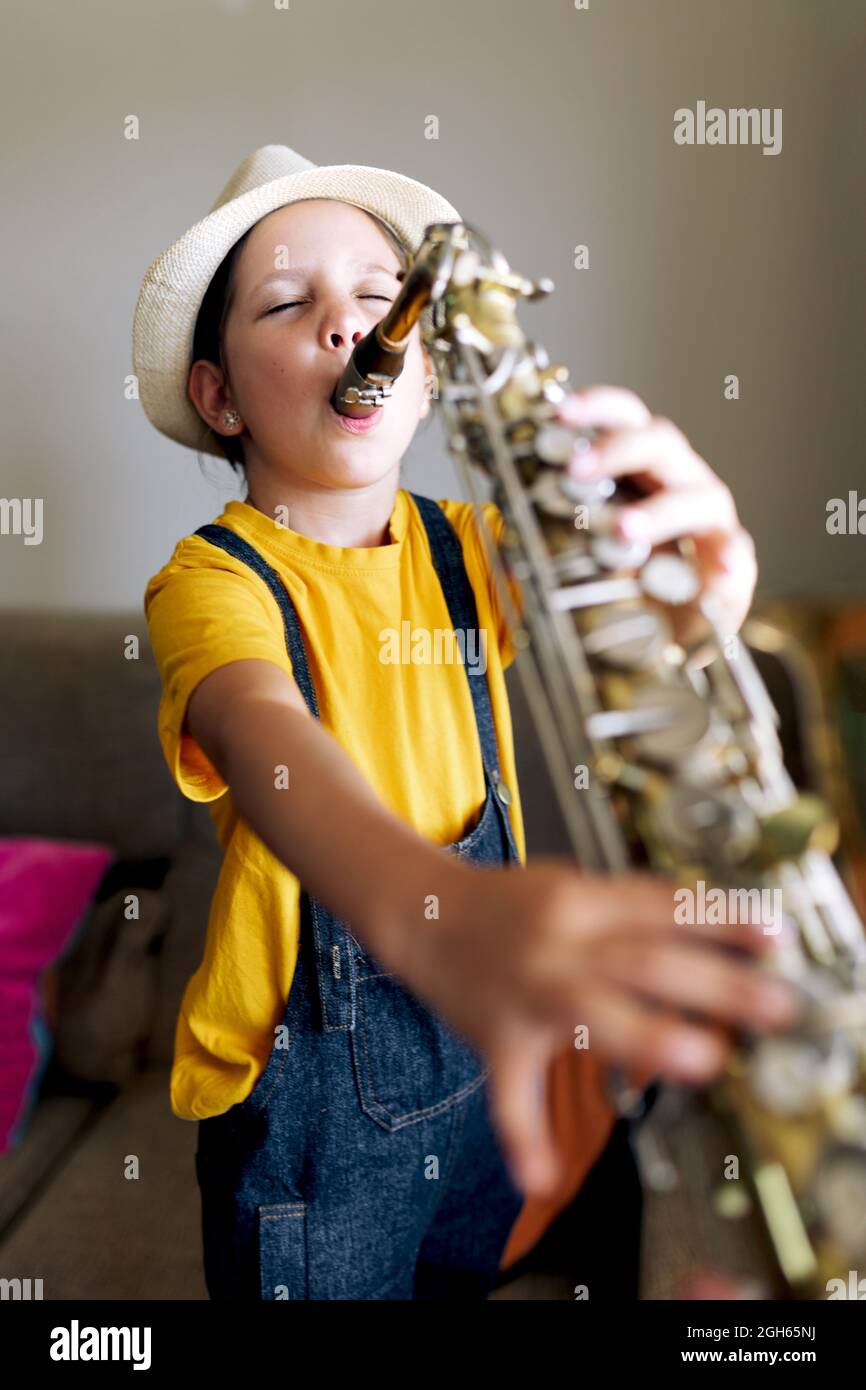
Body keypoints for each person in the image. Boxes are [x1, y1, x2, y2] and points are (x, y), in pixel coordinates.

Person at [133, 143, 800, 1301]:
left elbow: (639, 615)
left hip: (481, 1062)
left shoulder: (476, 549)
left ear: (431, 367)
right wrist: (426, 917)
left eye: (380, 296)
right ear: (219, 396)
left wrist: (704, 591)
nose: (350, 325)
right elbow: (262, 740)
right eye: (289, 303)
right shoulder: (210, 583)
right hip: (311, 1130)